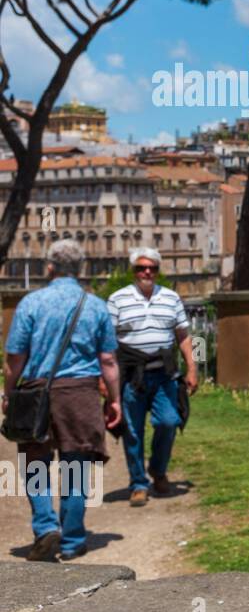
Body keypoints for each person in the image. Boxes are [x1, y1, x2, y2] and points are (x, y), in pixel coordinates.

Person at [3, 240, 120, 561]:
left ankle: (45, 527)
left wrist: (9, 394)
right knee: (76, 467)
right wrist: (115, 400)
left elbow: (15, 357)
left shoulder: (31, 303)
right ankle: (71, 540)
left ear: (50, 267)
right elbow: (108, 360)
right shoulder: (95, 306)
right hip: (81, 393)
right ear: (80, 269)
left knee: (35, 461)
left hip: (36, 392)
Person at [107, 248, 198, 506]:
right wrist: (106, 379)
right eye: (141, 267)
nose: (147, 272)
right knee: (132, 431)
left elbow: (185, 335)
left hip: (164, 374)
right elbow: (106, 342)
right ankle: (138, 483)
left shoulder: (171, 298)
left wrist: (193, 367)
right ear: (133, 270)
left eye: (152, 268)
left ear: (158, 271)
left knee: (169, 421)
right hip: (131, 375)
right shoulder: (117, 299)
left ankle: (158, 470)